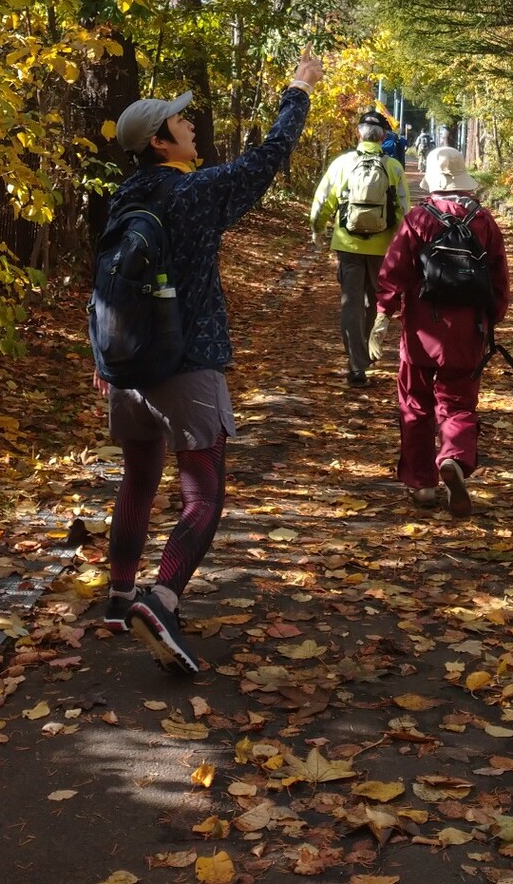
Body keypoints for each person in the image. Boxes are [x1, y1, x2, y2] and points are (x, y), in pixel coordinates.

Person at [94, 48, 323, 673]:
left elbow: (108, 282)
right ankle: (161, 600)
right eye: (181, 123)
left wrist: (106, 357)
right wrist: (297, 89)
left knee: (139, 477)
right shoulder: (196, 193)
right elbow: (269, 158)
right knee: (204, 493)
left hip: (127, 366)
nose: (191, 127)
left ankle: (117, 597)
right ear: (162, 143)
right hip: (187, 363)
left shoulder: (124, 196)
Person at [375, 144, 509, 515]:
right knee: (458, 402)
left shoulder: (418, 219)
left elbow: (394, 270)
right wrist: (491, 318)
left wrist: (383, 313)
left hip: (421, 331)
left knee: (416, 402)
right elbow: (498, 275)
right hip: (467, 331)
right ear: (464, 181)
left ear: (432, 181)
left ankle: (421, 486)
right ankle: (453, 458)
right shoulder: (483, 221)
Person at [309, 107, 410, 385]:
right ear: (383, 137)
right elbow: (403, 210)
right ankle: (365, 353)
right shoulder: (393, 167)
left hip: (348, 245)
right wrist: (403, 246)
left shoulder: (342, 164)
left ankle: (356, 364)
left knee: (350, 303)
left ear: (358, 133)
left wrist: (318, 229)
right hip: (383, 248)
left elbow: (324, 201)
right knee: (375, 301)